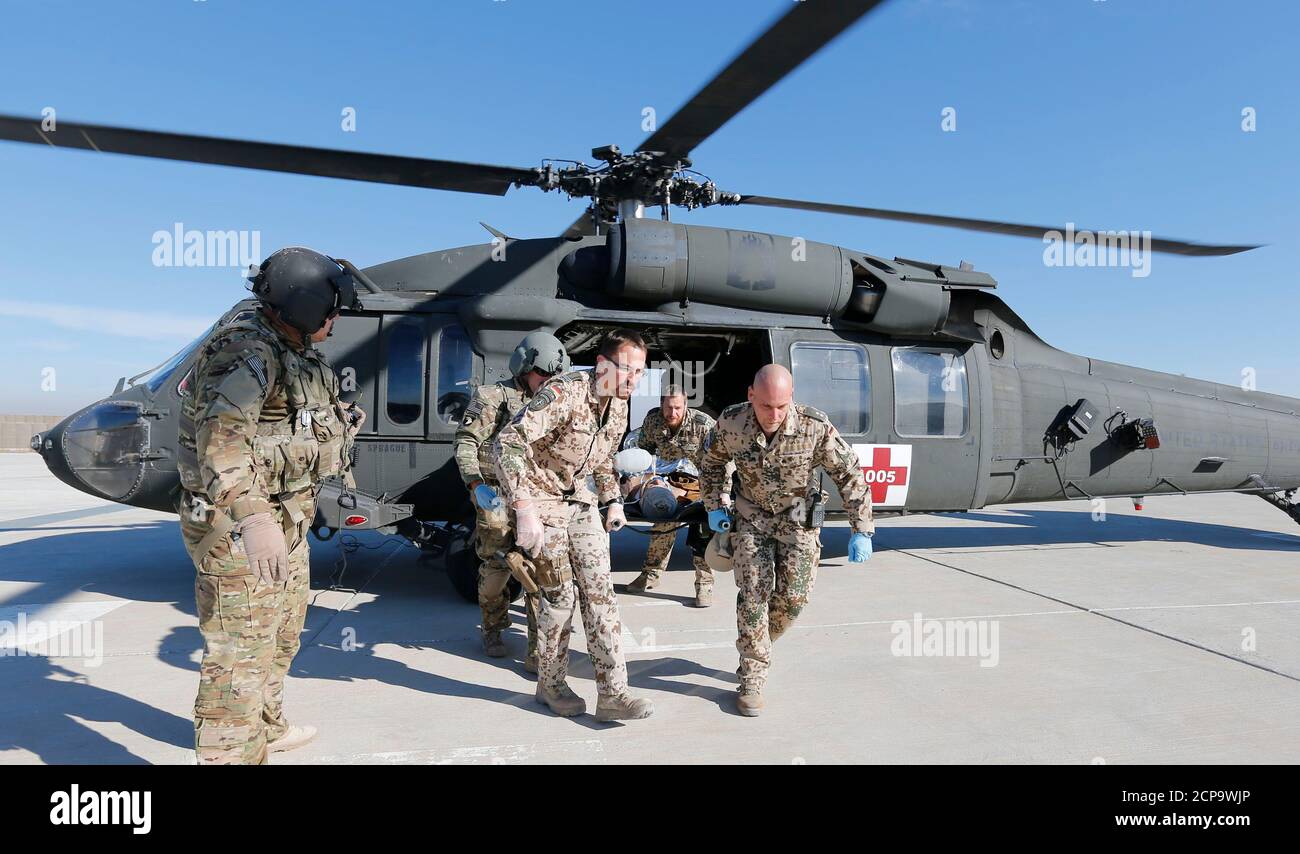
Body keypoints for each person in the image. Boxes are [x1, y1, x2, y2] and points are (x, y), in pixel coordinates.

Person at [176, 246, 364, 763]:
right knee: (239, 656)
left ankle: (265, 727)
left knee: (280, 637)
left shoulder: (291, 349)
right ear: (305, 305)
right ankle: (229, 753)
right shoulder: (249, 352)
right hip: (241, 526)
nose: (336, 318)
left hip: (288, 519)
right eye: (331, 308)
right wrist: (254, 516)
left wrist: (337, 425)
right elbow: (222, 439)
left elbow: (284, 422)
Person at [493, 329, 655, 721]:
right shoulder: (565, 392)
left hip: (578, 500)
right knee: (559, 598)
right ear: (602, 365)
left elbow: (601, 459)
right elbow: (508, 442)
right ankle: (552, 684)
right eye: (627, 370)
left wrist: (612, 499)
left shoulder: (618, 405)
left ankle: (614, 694)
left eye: (640, 372)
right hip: (539, 497)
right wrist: (522, 506)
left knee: (601, 595)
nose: (633, 380)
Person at [700, 364, 873, 717]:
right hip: (752, 519)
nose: (774, 415)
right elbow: (711, 462)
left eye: (781, 406)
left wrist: (862, 529)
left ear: (791, 398)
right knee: (753, 595)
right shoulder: (732, 422)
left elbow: (848, 472)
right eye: (766, 406)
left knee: (793, 599)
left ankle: (759, 642)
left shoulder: (814, 426)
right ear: (751, 396)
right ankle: (752, 675)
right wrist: (715, 504)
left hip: (799, 522)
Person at [453, 331, 571, 670]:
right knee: (495, 569)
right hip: (496, 497)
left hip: (537, 497)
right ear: (524, 367)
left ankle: (538, 648)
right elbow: (465, 442)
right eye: (542, 374)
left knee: (537, 571)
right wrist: (476, 484)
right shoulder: (492, 397)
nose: (548, 382)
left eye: (554, 376)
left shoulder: (555, 402)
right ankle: (493, 629)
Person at [629, 386, 725, 607]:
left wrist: (722, 492)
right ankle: (651, 574)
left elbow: (722, 458)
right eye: (668, 408)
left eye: (678, 408)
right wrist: (644, 481)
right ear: (662, 405)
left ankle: (705, 584)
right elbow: (643, 452)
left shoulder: (702, 425)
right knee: (663, 522)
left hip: (703, 483)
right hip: (670, 481)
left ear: (685, 406)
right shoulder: (653, 420)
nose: (672, 413)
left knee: (702, 530)